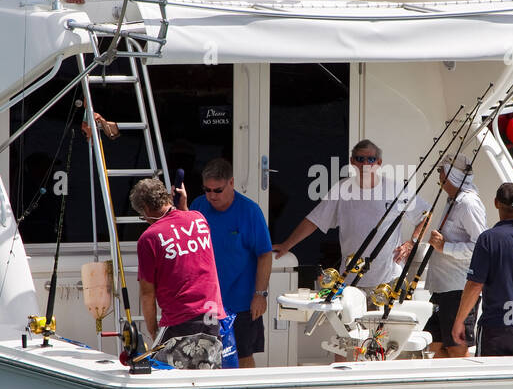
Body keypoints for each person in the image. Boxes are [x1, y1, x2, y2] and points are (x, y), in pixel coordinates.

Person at [274, 139, 423, 292]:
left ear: (378, 162)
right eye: (360, 159)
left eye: (370, 159)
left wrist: (412, 242)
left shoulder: (396, 189)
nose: (365, 164)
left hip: (388, 280)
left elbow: (425, 215)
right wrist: (287, 245)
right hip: (350, 280)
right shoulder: (341, 189)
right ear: (352, 161)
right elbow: (314, 220)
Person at [395, 153, 486, 358]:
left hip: (458, 291)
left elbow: (481, 247)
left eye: (441, 171)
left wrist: (445, 247)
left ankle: (465, 387)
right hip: (443, 289)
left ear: (451, 175)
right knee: (434, 345)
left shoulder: (468, 204)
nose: (439, 175)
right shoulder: (452, 200)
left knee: (456, 347)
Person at [130, 177, 225, 367]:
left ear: (147, 210)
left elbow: (147, 293)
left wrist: (154, 331)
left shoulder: (149, 238)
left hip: (180, 321)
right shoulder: (198, 219)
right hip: (212, 318)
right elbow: (183, 232)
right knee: (205, 379)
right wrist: (183, 207)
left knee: (156, 373)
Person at [452, 182, 513, 357]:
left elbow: (475, 285)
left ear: (496, 203)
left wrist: (460, 321)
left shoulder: (488, 239)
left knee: (490, 381)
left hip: (496, 326)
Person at [192, 158, 273, 367]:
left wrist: (260, 295)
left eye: (217, 190)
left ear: (231, 183)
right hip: (206, 301)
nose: (211, 196)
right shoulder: (198, 206)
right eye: (207, 190)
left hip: (241, 303)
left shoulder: (250, 211)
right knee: (202, 355)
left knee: (243, 356)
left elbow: (265, 254)